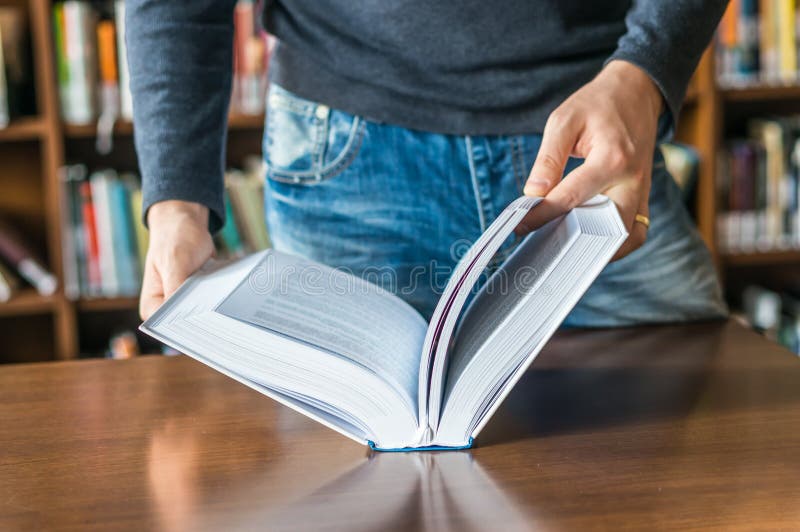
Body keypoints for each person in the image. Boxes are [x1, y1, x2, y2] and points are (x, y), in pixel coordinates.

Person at [130, 1, 728, 324]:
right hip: (344, 160)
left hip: (586, 148)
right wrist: (177, 201)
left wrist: (645, 72)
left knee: (691, 439)